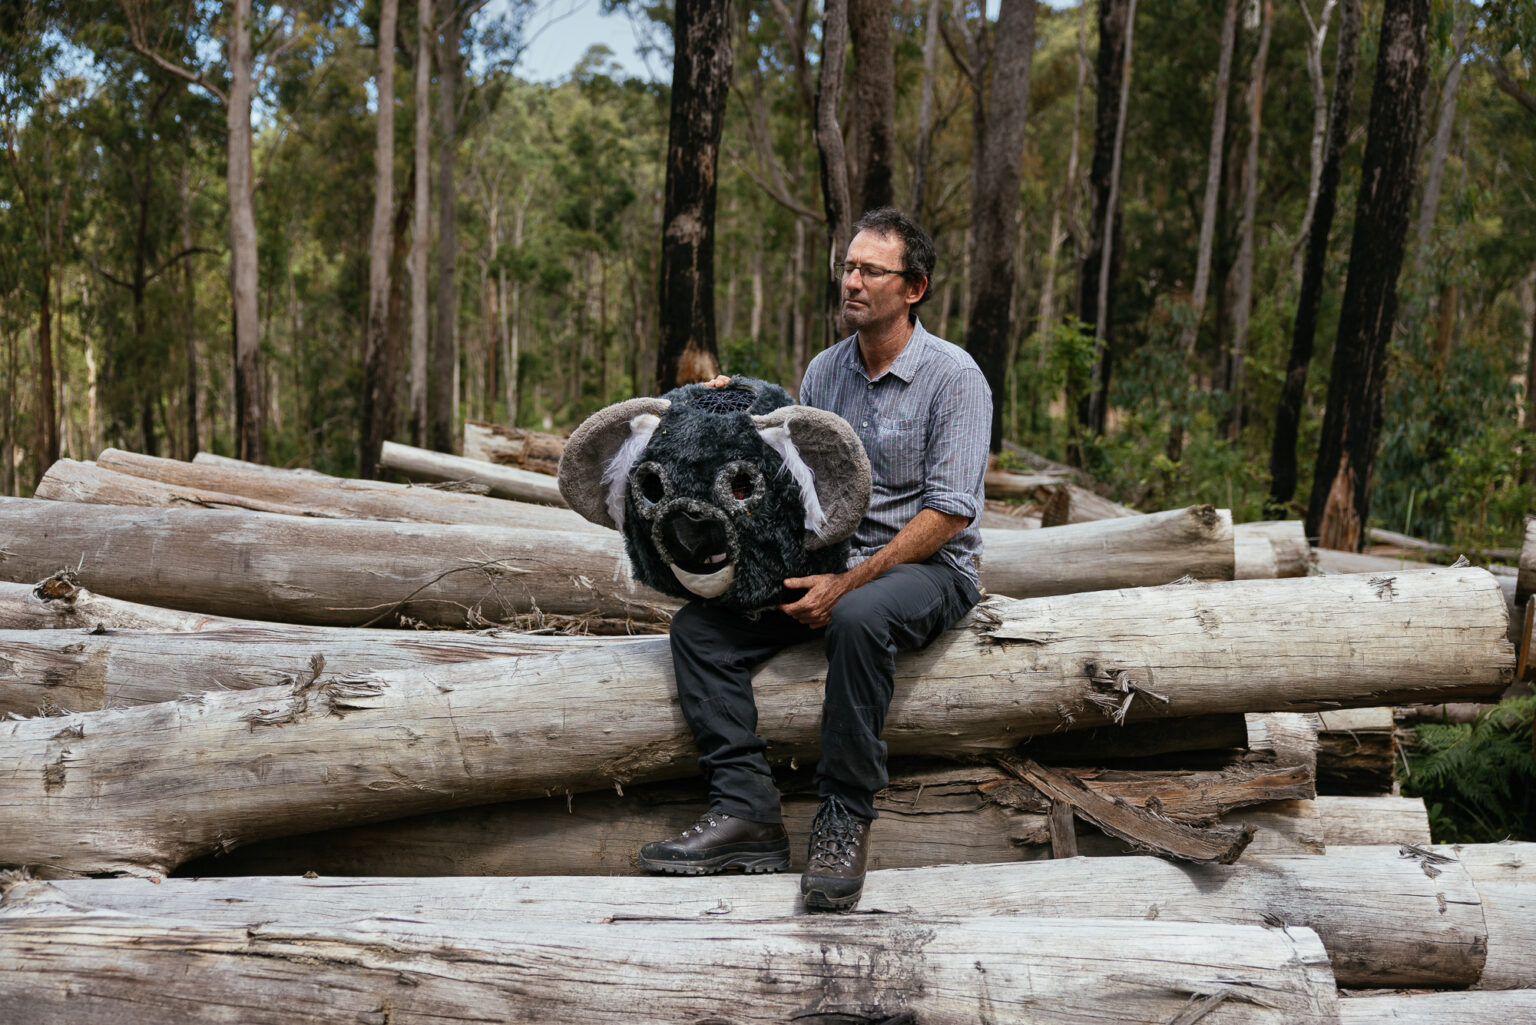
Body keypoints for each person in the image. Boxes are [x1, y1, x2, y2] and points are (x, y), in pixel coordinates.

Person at [638, 207, 991, 911]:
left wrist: (847, 583)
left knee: (858, 616)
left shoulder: (955, 377)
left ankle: (844, 815)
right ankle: (746, 813)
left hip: (929, 571)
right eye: (848, 267)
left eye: (871, 271)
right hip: (832, 562)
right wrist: (728, 408)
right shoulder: (826, 371)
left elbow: (950, 513)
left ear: (913, 288)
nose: (851, 281)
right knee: (700, 631)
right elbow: (791, 475)